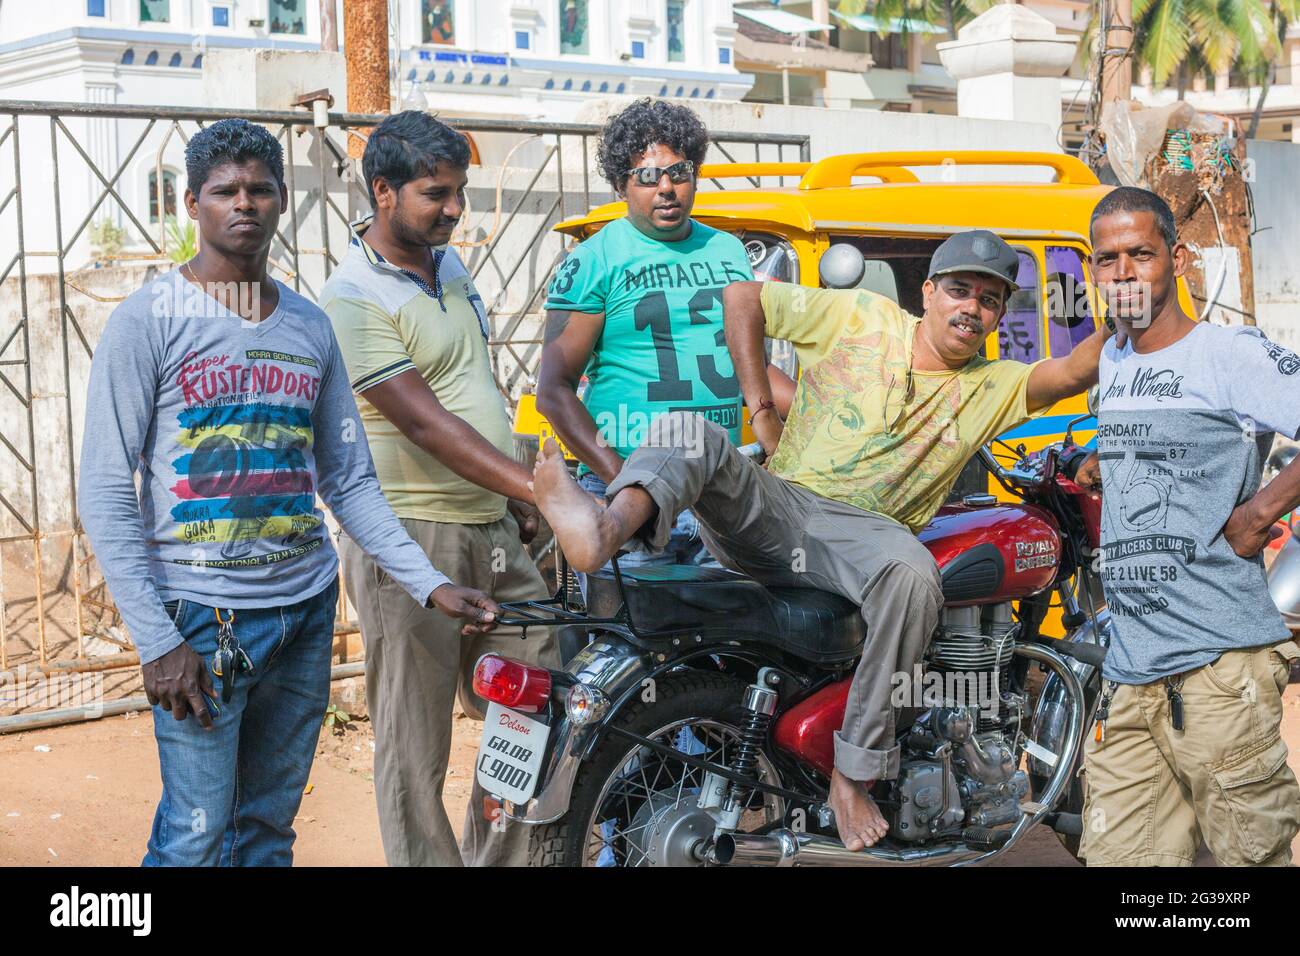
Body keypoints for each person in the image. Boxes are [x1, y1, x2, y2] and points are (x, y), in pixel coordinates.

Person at [531, 229, 1110, 851]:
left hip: (859, 537)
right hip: (777, 506)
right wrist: (761, 413)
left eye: (990, 300)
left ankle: (852, 770)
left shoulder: (995, 384)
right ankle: (604, 528)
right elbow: (742, 298)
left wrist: (1126, 305)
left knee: (911, 574)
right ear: (930, 291)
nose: (971, 308)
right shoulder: (863, 314)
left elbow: (1076, 367)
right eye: (960, 290)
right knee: (690, 432)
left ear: (998, 316)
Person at [78, 119, 498, 867]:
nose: (245, 204)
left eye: (260, 189)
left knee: (268, 828)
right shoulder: (146, 322)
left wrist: (430, 583)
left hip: (301, 615)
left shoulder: (308, 326)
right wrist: (157, 640)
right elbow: (108, 490)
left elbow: (348, 481)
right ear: (191, 203)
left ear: (280, 202)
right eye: (225, 191)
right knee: (197, 832)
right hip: (199, 620)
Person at [320, 111, 557, 868]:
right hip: (410, 540)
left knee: (530, 713)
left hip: (491, 530)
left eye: (458, 191)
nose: (455, 208)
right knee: (414, 749)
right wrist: (542, 488)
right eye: (437, 194)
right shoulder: (353, 295)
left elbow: (472, 390)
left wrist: (517, 498)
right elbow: (425, 424)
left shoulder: (449, 266)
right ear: (383, 190)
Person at [1071, 187, 1300, 866]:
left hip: (1218, 672)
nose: (1123, 272)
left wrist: (1262, 511)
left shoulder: (1229, 353)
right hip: (1132, 674)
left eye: (1140, 254)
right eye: (1107, 259)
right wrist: (1103, 457)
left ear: (1175, 258)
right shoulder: (1114, 359)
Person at [536, 98, 794, 574]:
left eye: (680, 172)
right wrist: (628, 484)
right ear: (621, 185)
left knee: (738, 641)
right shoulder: (594, 259)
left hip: (722, 489)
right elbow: (553, 390)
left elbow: (745, 367)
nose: (667, 189)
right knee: (635, 643)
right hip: (628, 488)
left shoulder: (729, 251)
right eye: (648, 177)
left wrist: (824, 415)